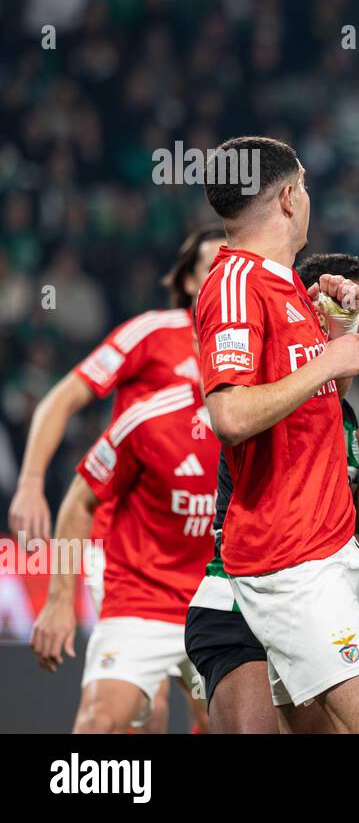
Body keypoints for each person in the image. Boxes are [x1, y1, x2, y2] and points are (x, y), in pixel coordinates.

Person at [195, 135, 359, 733]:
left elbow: (303, 405)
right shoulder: (234, 283)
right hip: (291, 563)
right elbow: (229, 416)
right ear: (288, 198)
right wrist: (331, 358)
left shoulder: (283, 285)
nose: (308, 199)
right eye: (304, 187)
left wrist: (325, 320)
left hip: (322, 555)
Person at [185, 252, 359, 733]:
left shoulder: (342, 418)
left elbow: (348, 534)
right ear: (321, 311)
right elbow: (233, 421)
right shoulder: (273, 399)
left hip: (307, 603)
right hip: (243, 604)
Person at [10, 225, 222, 733]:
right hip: (125, 538)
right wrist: (30, 480)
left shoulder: (247, 355)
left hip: (204, 553)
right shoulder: (151, 333)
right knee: (144, 712)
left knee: (213, 714)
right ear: (190, 281)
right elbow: (63, 399)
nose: (223, 275)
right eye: (211, 264)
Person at [30, 379, 218, 733]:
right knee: (100, 722)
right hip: (142, 600)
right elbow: (78, 500)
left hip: (217, 601)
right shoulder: (148, 418)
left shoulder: (270, 417)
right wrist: (59, 600)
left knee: (229, 721)